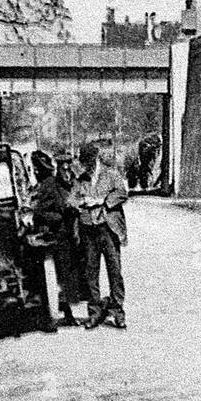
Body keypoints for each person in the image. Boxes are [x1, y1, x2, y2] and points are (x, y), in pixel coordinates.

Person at [70, 142, 130, 331]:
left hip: (108, 229)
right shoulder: (80, 179)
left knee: (115, 271)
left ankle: (118, 312)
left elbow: (122, 193)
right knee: (91, 273)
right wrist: (82, 202)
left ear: (95, 159)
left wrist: (103, 201)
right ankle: (95, 313)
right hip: (88, 229)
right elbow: (72, 199)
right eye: (84, 162)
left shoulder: (110, 174)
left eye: (89, 161)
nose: (86, 165)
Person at [31, 150, 83, 327]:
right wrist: (60, 216)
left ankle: (71, 311)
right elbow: (39, 213)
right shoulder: (50, 185)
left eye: (69, 165)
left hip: (76, 236)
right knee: (61, 277)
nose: (66, 169)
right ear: (57, 167)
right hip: (59, 237)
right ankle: (62, 314)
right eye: (63, 166)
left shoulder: (76, 183)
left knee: (75, 275)